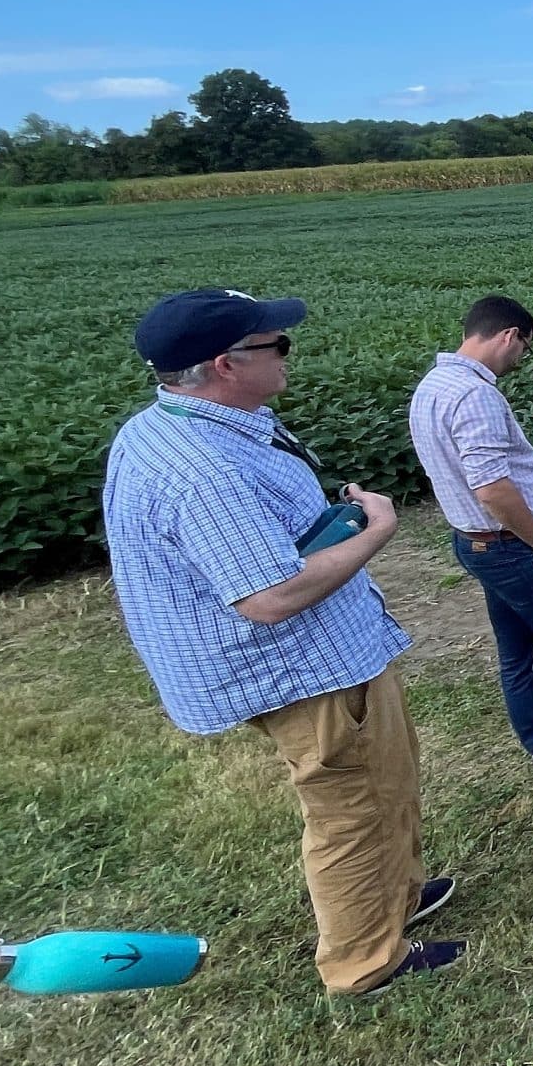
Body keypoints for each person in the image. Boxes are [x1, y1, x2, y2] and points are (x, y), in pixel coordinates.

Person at [102, 289, 458, 996]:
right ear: (226, 364)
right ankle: (364, 961)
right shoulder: (202, 470)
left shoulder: (173, 426)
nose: (290, 355)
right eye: (278, 346)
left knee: (387, 774)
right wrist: (378, 531)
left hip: (328, 650)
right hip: (299, 666)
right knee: (349, 806)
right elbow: (270, 597)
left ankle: (394, 894)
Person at [407, 294, 533, 772]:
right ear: (509, 335)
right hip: (515, 546)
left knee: (518, 655)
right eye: (525, 348)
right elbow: (493, 488)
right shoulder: (475, 394)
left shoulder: (434, 384)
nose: (521, 360)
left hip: (474, 541)